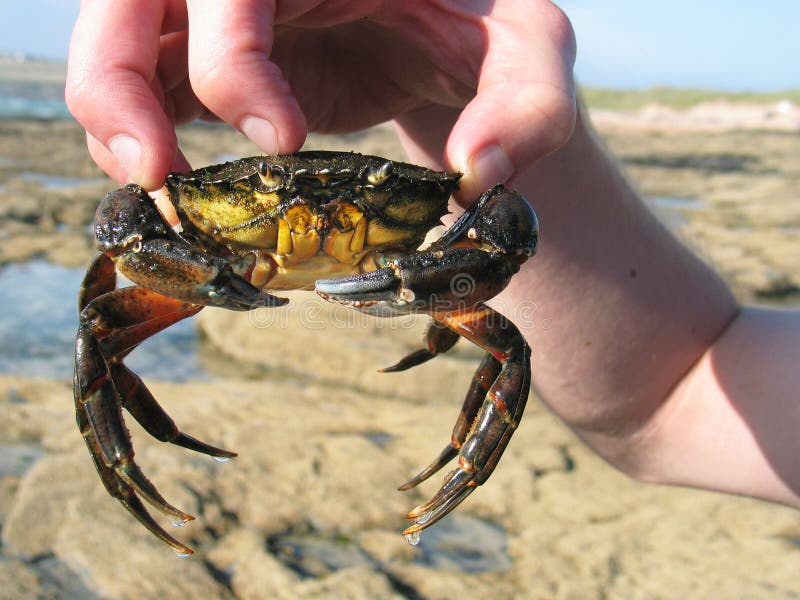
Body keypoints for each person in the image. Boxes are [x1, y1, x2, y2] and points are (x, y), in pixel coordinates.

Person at [66, 1, 800, 508]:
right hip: (253, 241)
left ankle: (462, 457)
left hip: (348, 253)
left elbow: (505, 225)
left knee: (502, 344)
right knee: (101, 335)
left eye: (367, 200)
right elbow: (671, 388)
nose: (321, 223)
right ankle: (134, 460)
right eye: (277, 203)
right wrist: (453, 85)